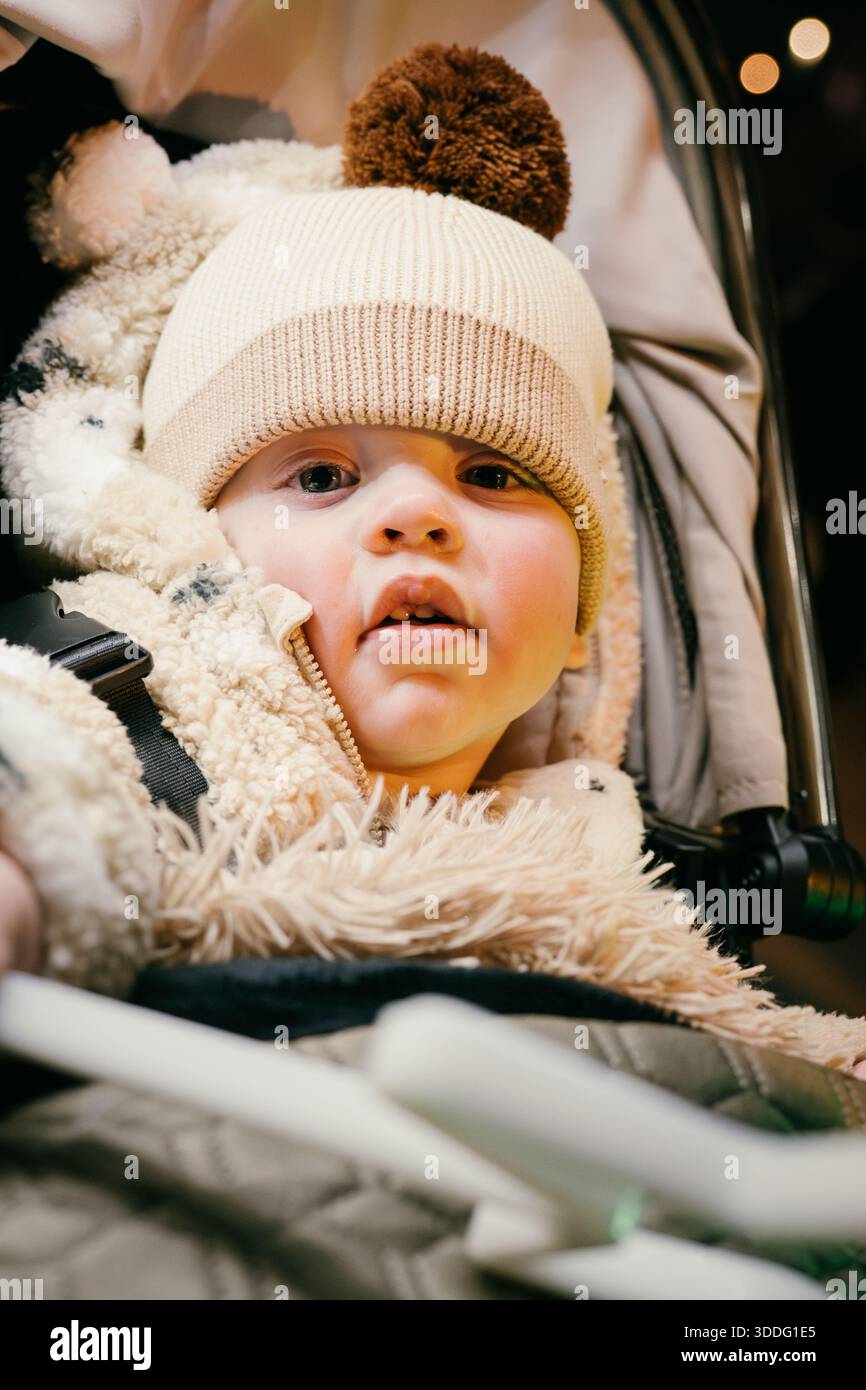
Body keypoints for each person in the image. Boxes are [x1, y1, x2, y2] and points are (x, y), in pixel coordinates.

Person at [1, 42, 865, 1077]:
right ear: (192, 536)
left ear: (589, 603)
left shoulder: (592, 849)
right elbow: (45, 755)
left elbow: (744, 1040)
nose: (415, 516)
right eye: (320, 477)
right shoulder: (149, 684)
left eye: (493, 476)